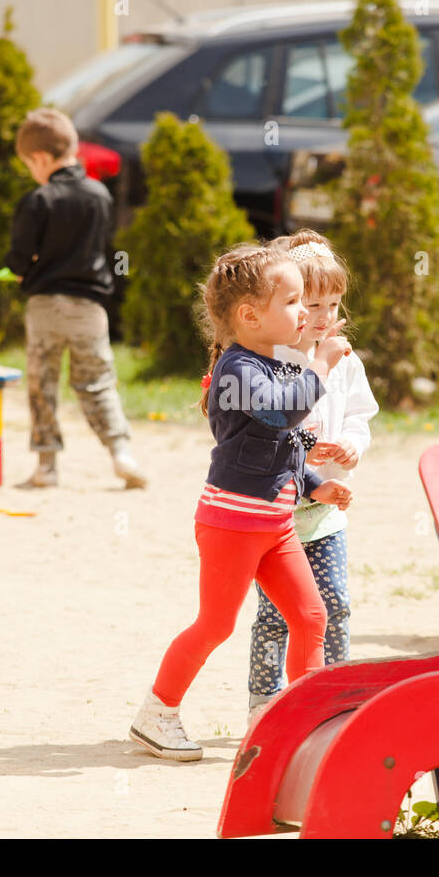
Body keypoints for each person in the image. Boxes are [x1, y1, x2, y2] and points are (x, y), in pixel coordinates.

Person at [130, 243, 354, 761]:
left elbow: (283, 444)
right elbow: (280, 417)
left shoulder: (274, 362)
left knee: (310, 615)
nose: (305, 312)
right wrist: (318, 367)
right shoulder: (239, 368)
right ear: (250, 316)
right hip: (232, 521)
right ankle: (156, 714)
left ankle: (304, 720)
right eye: (294, 302)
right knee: (216, 624)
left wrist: (314, 482)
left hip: (274, 524)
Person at [246, 231, 378, 722]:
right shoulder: (270, 361)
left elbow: (359, 415)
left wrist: (352, 443)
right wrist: (304, 450)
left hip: (325, 514)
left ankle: (333, 694)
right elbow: (266, 428)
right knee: (277, 615)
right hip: (276, 514)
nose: (323, 316)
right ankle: (265, 703)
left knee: (335, 605)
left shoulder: (345, 362)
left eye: (335, 303)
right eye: (312, 302)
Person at [5, 106, 146, 489]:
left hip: (45, 305)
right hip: (89, 308)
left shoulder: (38, 200)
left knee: (42, 384)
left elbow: (19, 260)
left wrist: (16, 270)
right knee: (98, 381)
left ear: (40, 158)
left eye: (29, 165)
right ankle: (121, 453)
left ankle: (47, 466)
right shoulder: (100, 195)